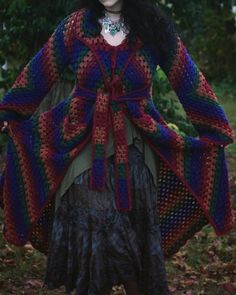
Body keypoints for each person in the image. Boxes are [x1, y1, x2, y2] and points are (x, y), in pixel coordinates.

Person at [0, 0, 234, 294]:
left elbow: (189, 81)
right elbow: (39, 72)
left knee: (135, 240)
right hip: (83, 145)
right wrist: (11, 113)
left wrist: (214, 127)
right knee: (94, 228)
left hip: (137, 149)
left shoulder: (153, 28)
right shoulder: (75, 27)